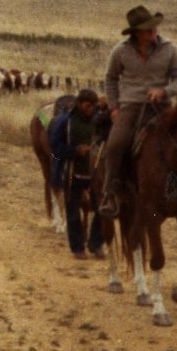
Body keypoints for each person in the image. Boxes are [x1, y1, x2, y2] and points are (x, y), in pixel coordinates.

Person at [98, 5, 177, 218]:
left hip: (162, 107)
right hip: (131, 107)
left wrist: (164, 91)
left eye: (154, 27)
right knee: (115, 145)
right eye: (148, 29)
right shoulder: (120, 51)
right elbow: (110, 79)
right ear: (136, 32)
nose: (154, 31)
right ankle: (110, 194)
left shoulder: (170, 48)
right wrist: (114, 108)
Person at [49, 89, 107, 258]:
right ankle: (78, 248)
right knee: (73, 212)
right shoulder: (66, 122)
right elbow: (55, 147)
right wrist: (74, 151)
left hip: (95, 174)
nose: (91, 109)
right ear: (80, 104)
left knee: (101, 209)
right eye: (88, 106)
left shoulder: (99, 121)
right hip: (72, 173)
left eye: (93, 106)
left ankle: (96, 244)